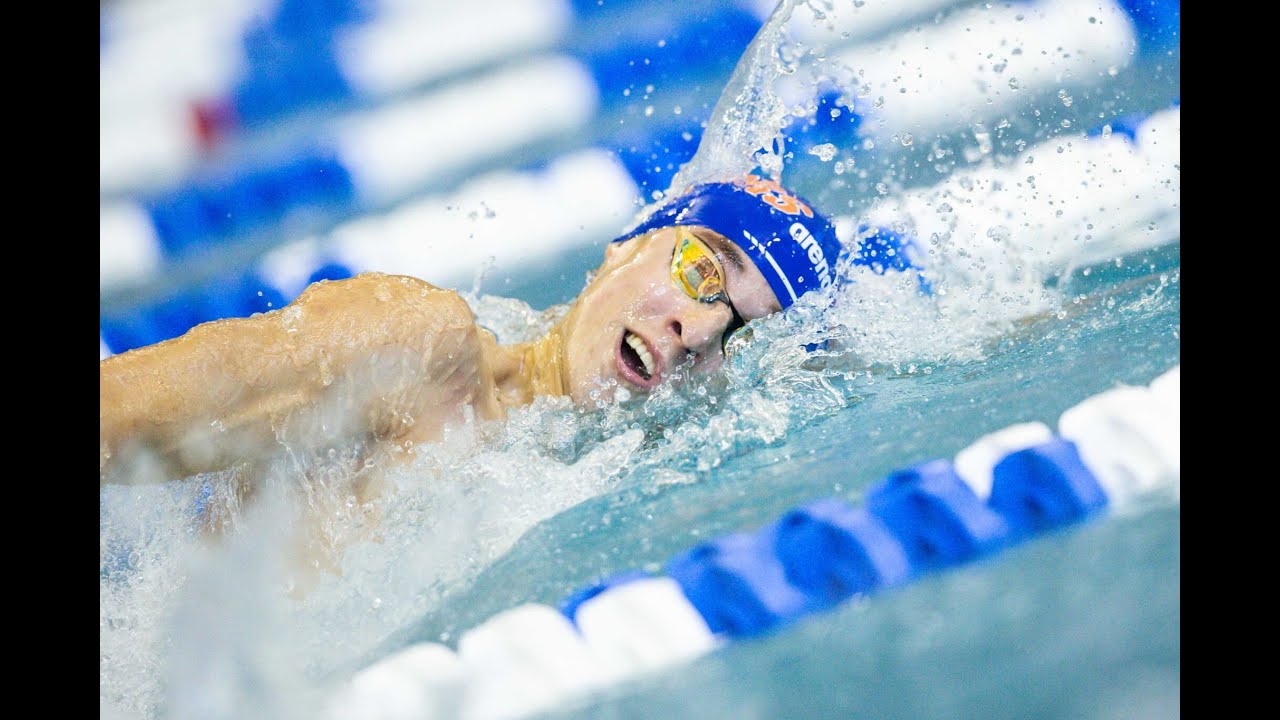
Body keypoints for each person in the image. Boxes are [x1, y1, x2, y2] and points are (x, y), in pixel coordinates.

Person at [100, 171, 843, 587]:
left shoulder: (582, 489)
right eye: (702, 270)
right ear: (625, 245)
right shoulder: (421, 347)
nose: (701, 330)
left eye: (744, 335)